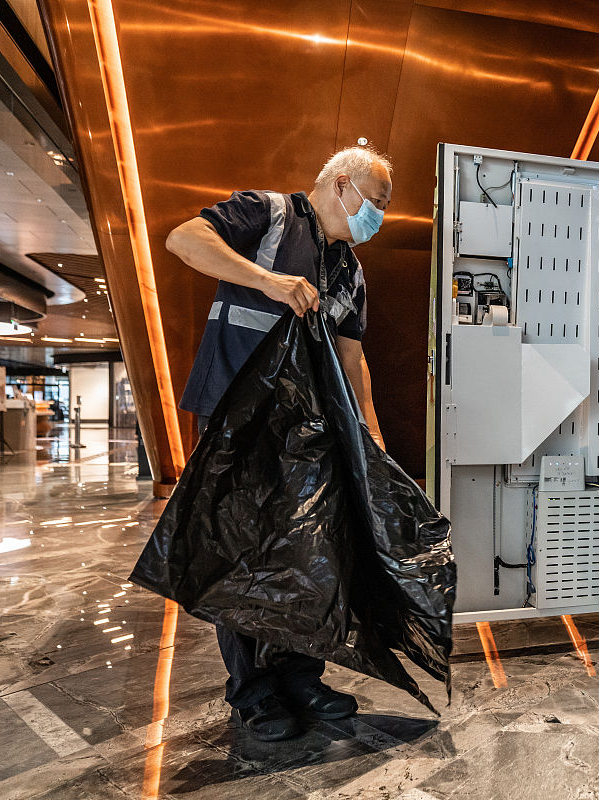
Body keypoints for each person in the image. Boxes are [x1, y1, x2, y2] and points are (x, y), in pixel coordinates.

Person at [166, 145, 392, 741]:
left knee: (307, 554)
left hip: (304, 429)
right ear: (341, 184)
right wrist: (266, 281)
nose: (380, 216)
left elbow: (352, 358)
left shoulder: (349, 269)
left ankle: (299, 676)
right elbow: (183, 240)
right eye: (377, 201)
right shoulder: (265, 215)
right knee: (238, 552)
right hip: (234, 418)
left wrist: (371, 434)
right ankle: (253, 693)